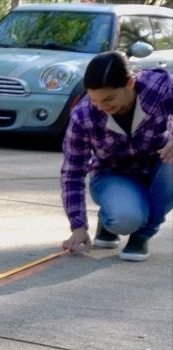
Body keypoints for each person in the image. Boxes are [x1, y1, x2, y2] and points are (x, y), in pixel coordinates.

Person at [61, 51, 172, 261]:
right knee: (126, 219)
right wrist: (78, 226)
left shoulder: (159, 87)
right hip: (113, 175)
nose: (102, 107)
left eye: (109, 99)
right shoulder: (83, 115)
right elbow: (72, 173)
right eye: (95, 100)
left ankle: (142, 236)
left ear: (130, 83)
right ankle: (109, 220)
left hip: (160, 170)